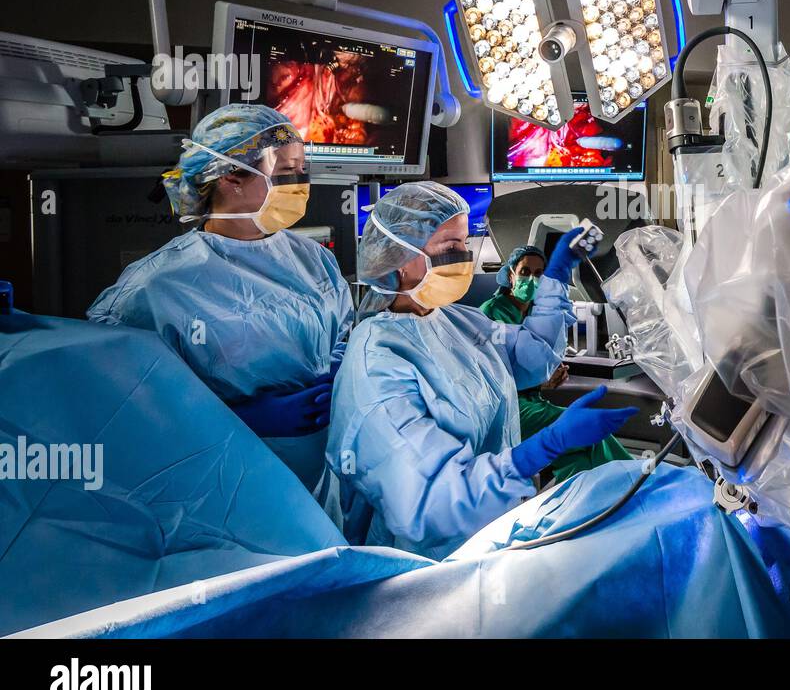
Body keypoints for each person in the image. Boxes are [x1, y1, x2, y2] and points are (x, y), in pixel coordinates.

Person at [327, 181, 637, 558]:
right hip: (427, 567)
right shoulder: (376, 363)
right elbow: (431, 503)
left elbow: (533, 357)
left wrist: (556, 277)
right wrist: (542, 447)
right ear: (399, 258)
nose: (464, 258)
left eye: (464, 244)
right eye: (450, 248)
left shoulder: (456, 322)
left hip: (488, 534)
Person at [87, 104, 353, 490]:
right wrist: (240, 418)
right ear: (230, 177)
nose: (300, 182)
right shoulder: (156, 286)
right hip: (218, 481)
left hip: (320, 474)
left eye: (302, 169)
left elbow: (344, 335)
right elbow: (122, 410)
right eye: (284, 171)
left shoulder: (314, 260)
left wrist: (339, 378)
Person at [481, 244, 633, 481]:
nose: (532, 279)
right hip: (506, 408)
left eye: (539, 274)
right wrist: (539, 381)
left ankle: (588, 504)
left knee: (577, 457)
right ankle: (635, 484)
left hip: (532, 402)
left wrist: (546, 375)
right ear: (510, 275)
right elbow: (488, 377)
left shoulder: (536, 310)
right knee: (586, 430)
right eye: (524, 272)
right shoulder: (491, 313)